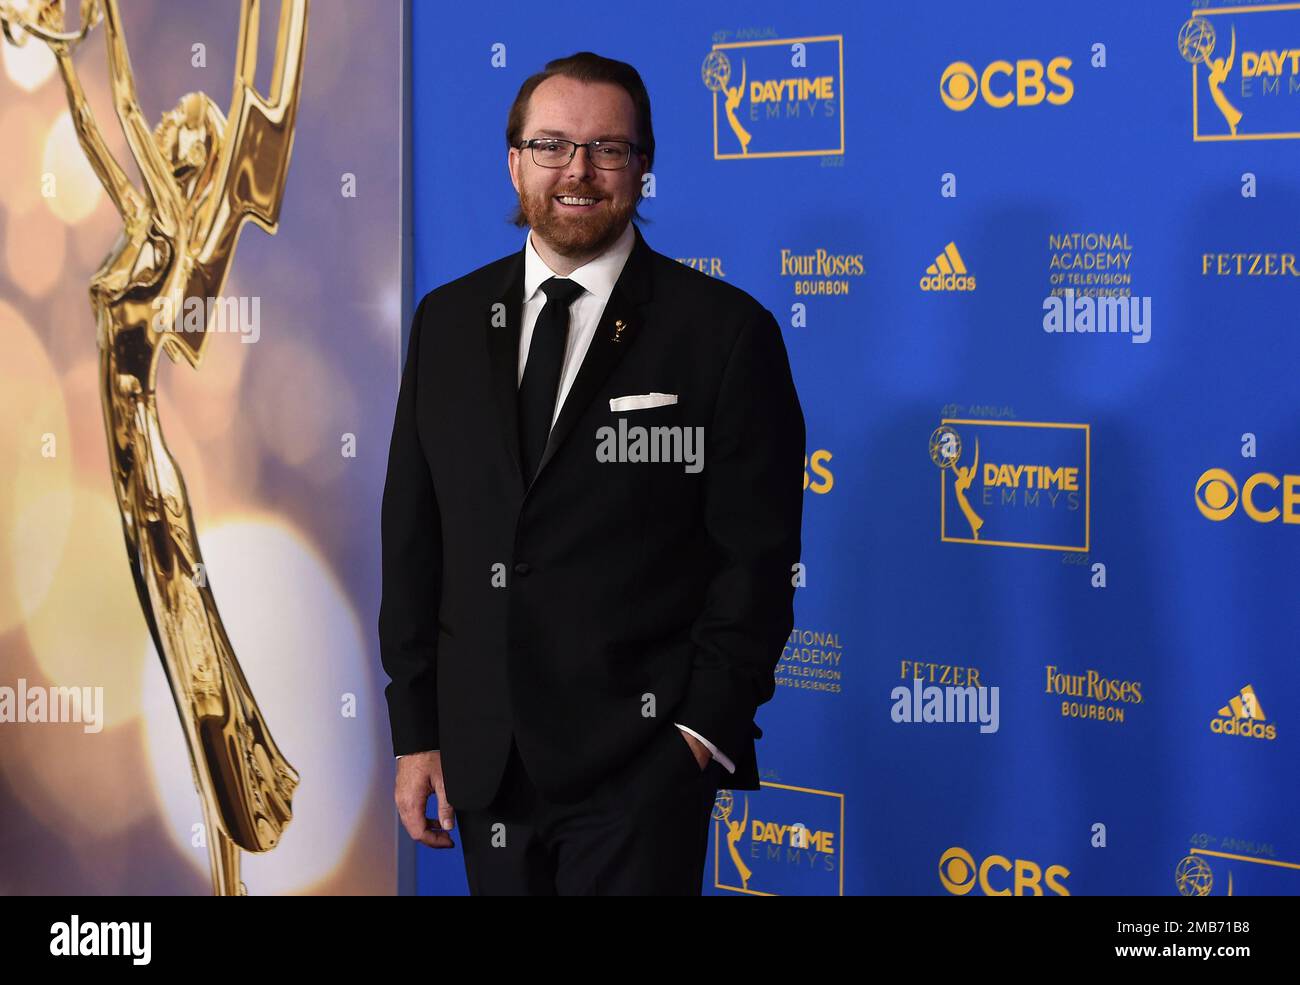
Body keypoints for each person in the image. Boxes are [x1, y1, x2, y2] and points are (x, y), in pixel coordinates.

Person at [379, 51, 804, 895]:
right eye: (552, 145)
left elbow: (755, 562)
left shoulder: (722, 333)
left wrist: (695, 736)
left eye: (608, 148)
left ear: (643, 167)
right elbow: (416, 537)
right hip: (484, 764)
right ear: (515, 162)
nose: (578, 171)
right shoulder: (449, 323)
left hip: (639, 773)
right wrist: (417, 730)